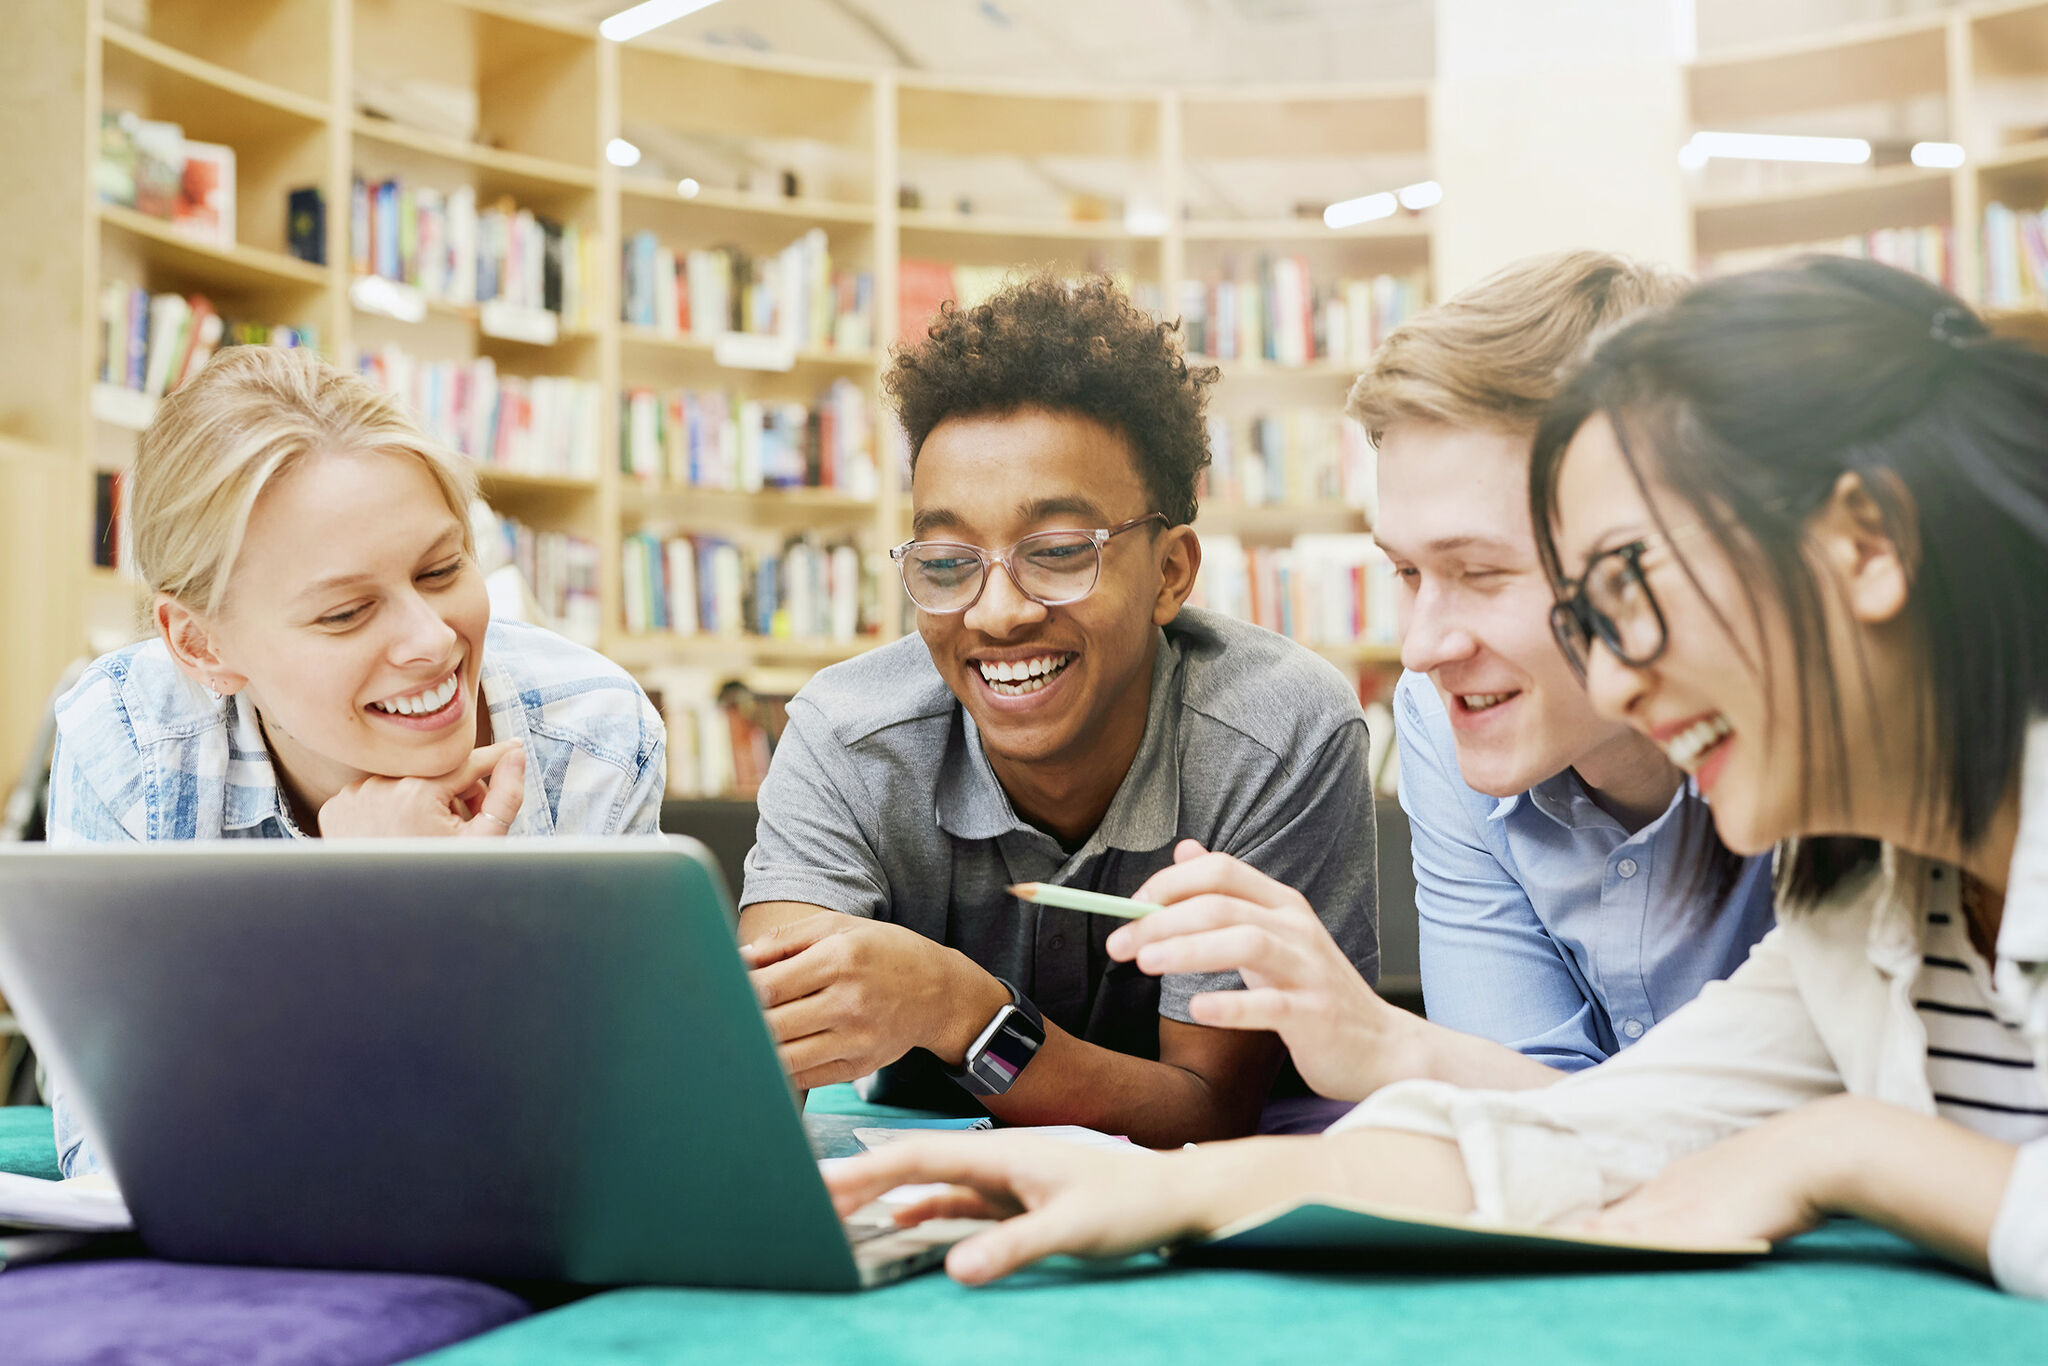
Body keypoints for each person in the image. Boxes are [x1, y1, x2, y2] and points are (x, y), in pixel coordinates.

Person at [823, 258, 2048, 1300]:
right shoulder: (1860, 902)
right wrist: (1155, 1188)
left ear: (1864, 546)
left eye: (1628, 586)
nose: (1617, 675)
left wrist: (1849, 1151)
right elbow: (1581, 1136)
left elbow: (1762, 1143)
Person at [1098, 252, 1773, 1111]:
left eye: (1482, 572)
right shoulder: (1440, 716)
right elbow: (1530, 1115)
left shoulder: (1821, 750)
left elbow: (1838, 1131)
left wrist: (1390, 1047)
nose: (1419, 650)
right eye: (1408, 573)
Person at [737, 273, 1378, 1148]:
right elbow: (756, 1077)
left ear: (1170, 574)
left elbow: (1206, 1113)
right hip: (934, 1189)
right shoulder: (847, 737)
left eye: (1060, 551)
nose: (998, 613)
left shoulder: (1278, 736)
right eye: (948, 559)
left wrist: (956, 1007)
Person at [46, 345, 666, 1174]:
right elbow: (117, 1158)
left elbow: (611, 1136)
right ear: (199, 645)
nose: (432, 639)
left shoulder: (592, 733)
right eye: (345, 613)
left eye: (442, 569)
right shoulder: (128, 744)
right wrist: (365, 917)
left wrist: (437, 921)